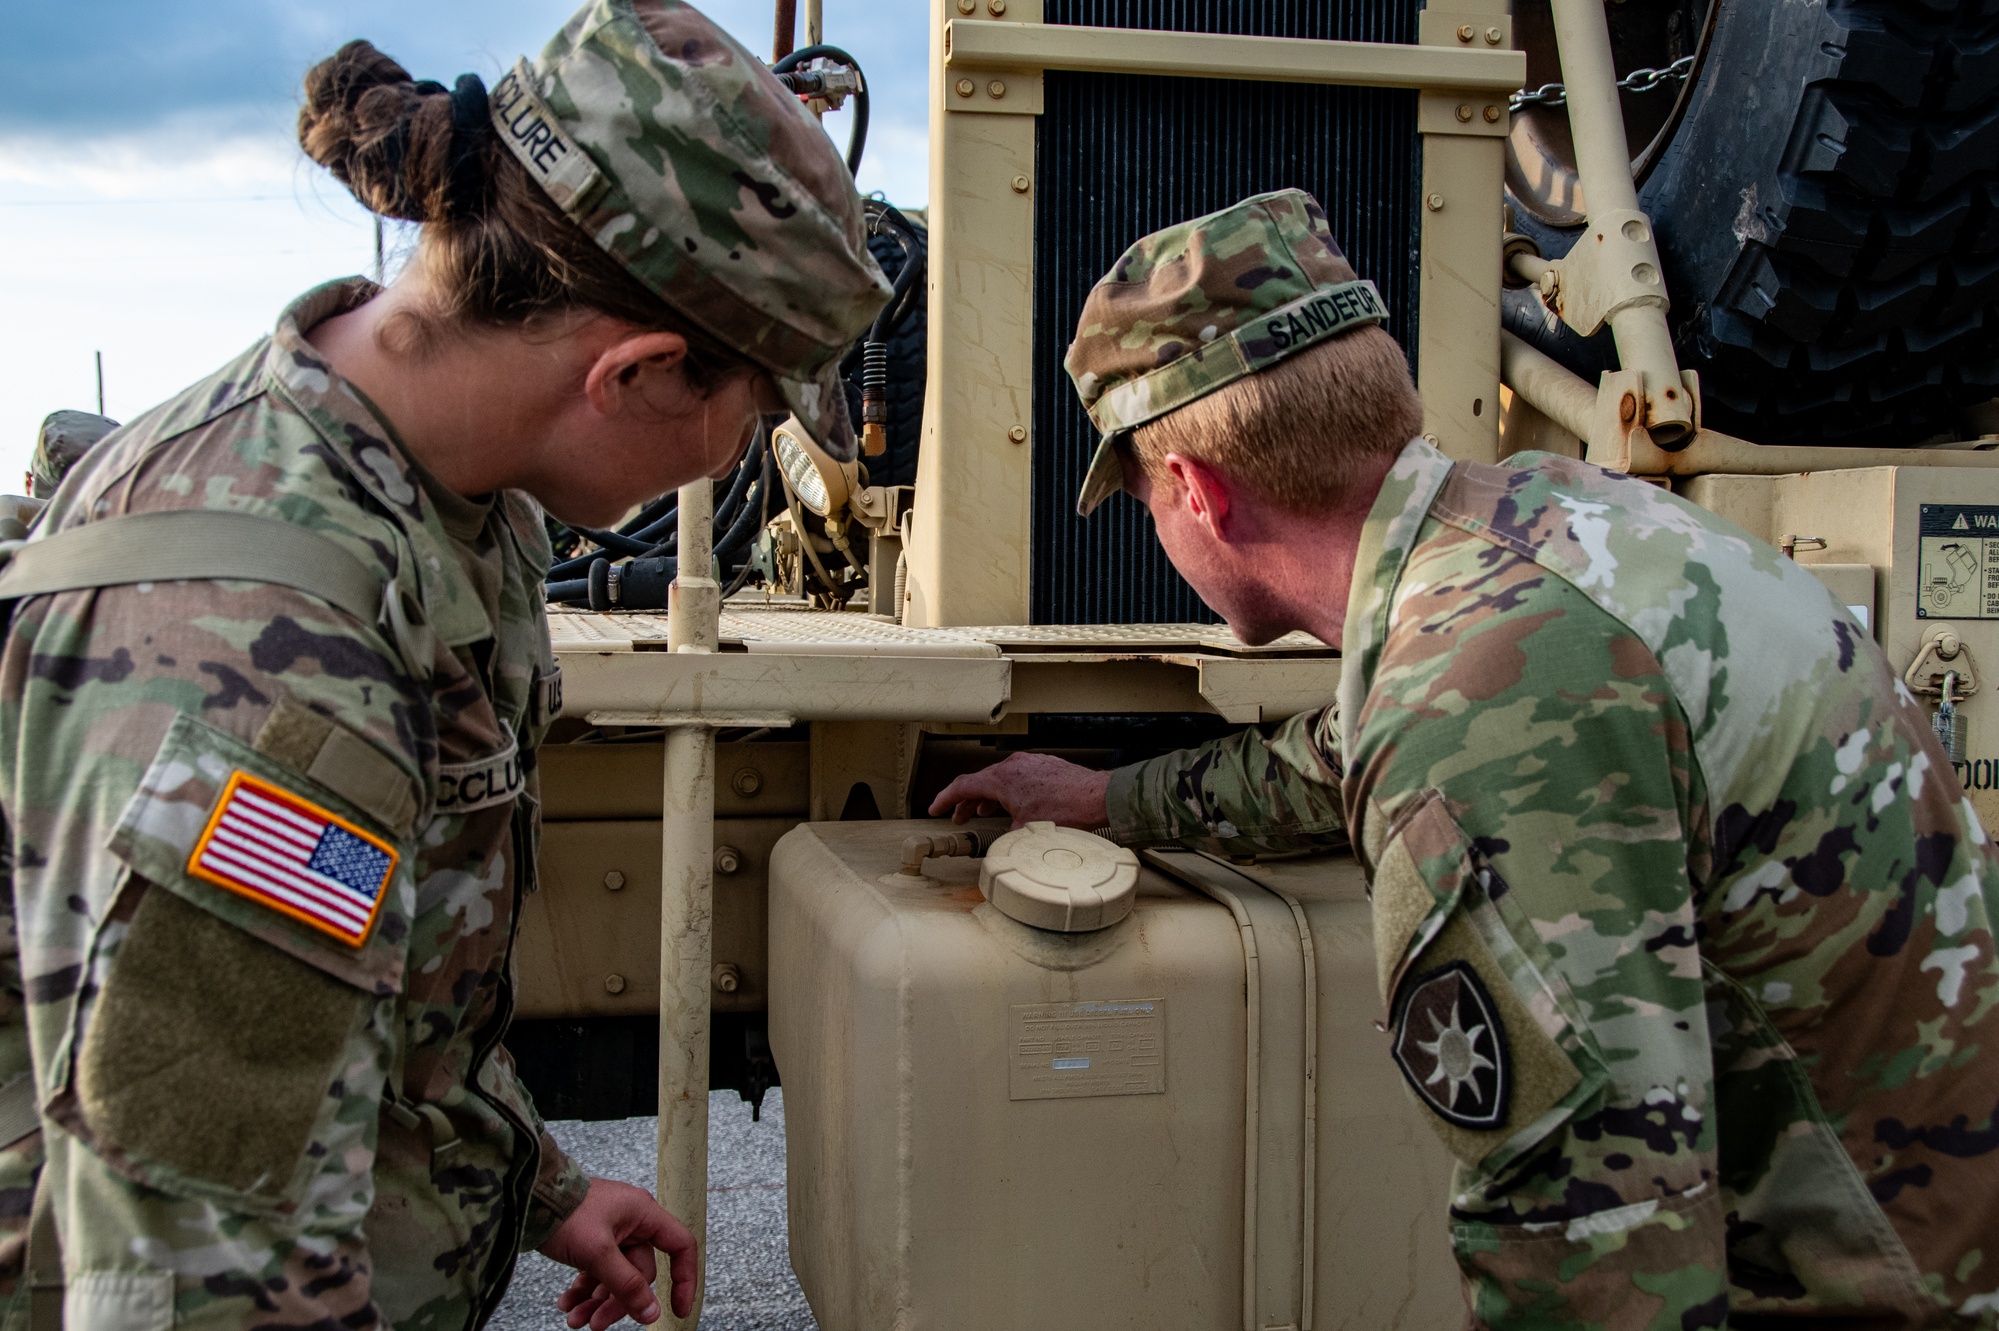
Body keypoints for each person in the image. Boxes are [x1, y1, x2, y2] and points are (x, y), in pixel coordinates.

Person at [931, 189, 1999, 1327]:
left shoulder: (1477, 700)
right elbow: (1337, 753)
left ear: (1196, 490)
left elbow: (1593, 1254)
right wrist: (1109, 795)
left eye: (1144, 497)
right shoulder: (1545, 530)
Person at [0, 0, 889, 1326]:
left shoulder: (449, 506)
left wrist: (534, 1183)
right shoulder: (273, 656)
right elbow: (191, 1264)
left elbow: (379, 980)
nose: (737, 456)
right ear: (637, 371)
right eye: (753, 411)